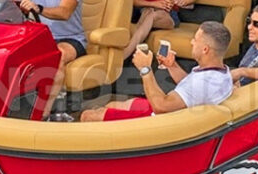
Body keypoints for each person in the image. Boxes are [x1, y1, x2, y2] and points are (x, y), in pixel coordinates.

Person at [81, 21, 233, 121]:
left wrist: (145, 69)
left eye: (195, 40)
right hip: (173, 110)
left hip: (159, 122)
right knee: (112, 105)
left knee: (87, 116)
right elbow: (191, 90)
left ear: (205, 49)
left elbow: (161, 107)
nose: (191, 42)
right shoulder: (220, 73)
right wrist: (172, 66)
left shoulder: (201, 82)